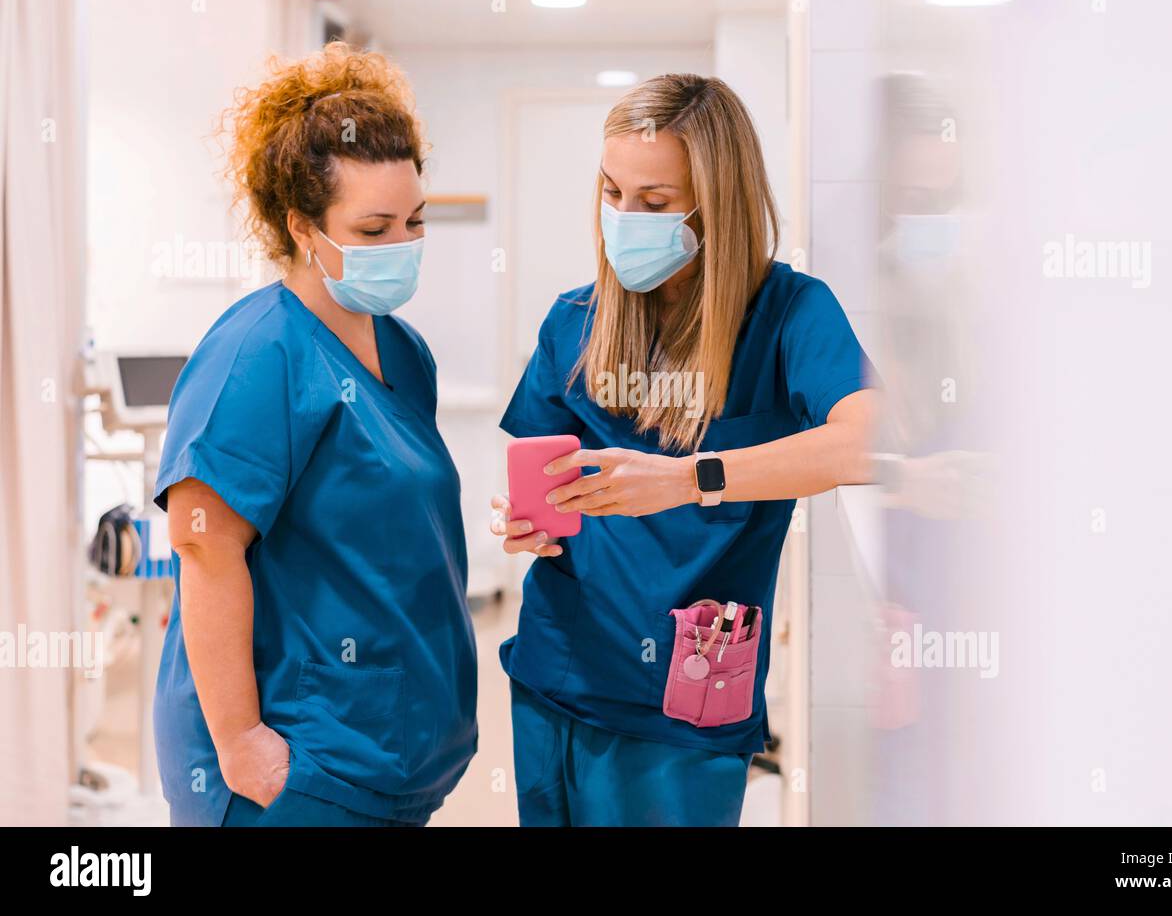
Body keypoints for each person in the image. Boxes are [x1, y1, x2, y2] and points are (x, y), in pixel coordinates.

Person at [490, 73, 875, 826]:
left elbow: (862, 442)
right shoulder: (575, 321)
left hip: (687, 703)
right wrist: (524, 523)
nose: (624, 219)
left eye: (655, 203)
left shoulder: (790, 314)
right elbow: (540, 477)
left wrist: (691, 478)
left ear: (717, 202)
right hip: (557, 677)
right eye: (611, 193)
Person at [152, 42, 477, 827]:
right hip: (292, 765)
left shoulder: (401, 349)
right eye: (372, 230)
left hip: (385, 756)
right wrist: (241, 744)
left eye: (413, 222)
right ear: (302, 226)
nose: (401, 246)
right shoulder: (258, 352)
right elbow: (203, 544)